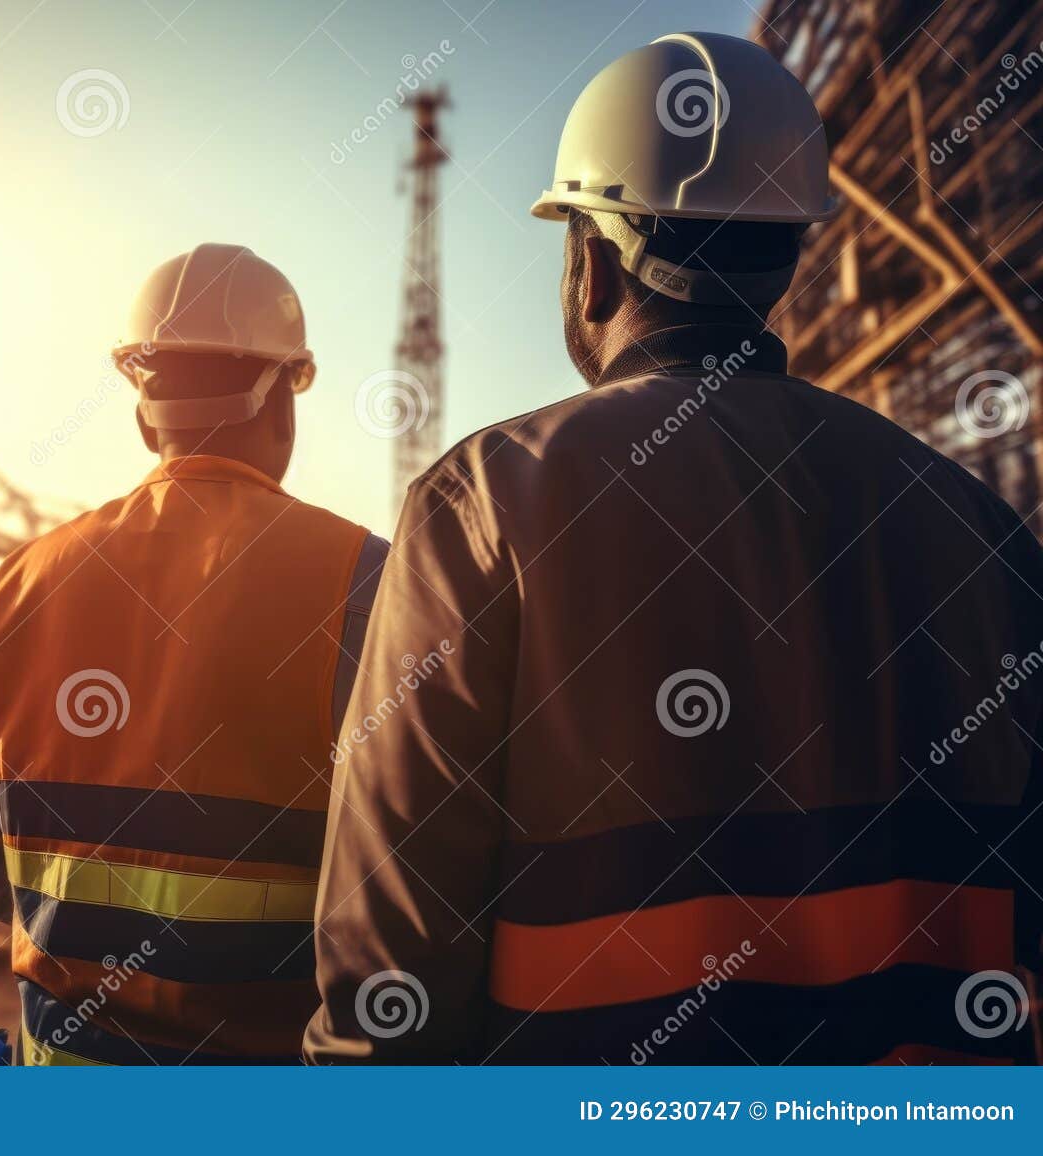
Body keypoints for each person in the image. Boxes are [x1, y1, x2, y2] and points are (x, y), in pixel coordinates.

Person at [306, 32, 1043, 1064]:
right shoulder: (974, 522)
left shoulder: (486, 503)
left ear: (593, 267)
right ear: (787, 262)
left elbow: (393, 968)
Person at [0, 242, 387, 1064]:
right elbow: (431, 863)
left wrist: (52, 918)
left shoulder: (24, 580)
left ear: (142, 414)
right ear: (283, 404)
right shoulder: (367, 579)